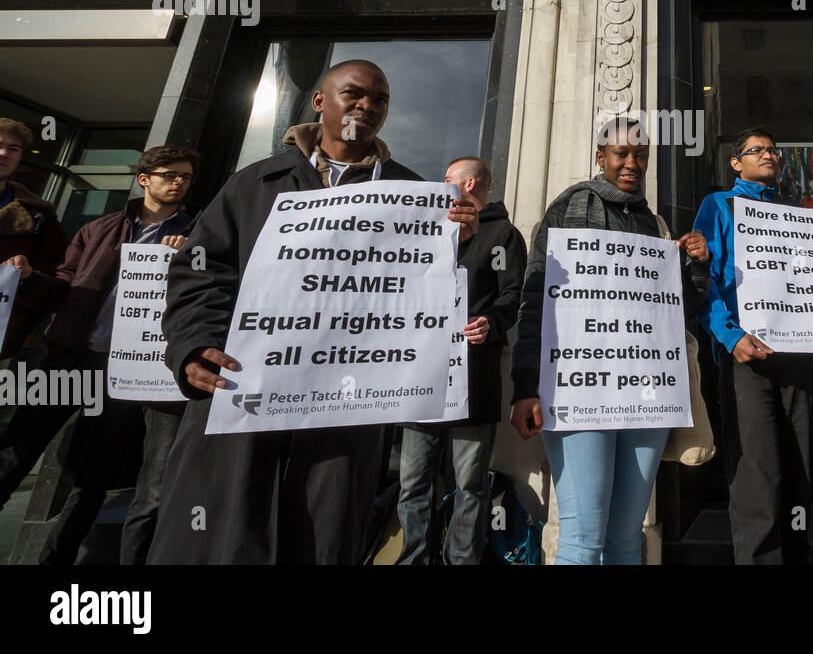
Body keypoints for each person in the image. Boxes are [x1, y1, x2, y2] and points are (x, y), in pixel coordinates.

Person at [146, 60, 478, 564]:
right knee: (221, 539)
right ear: (320, 102)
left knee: (321, 537)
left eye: (380, 99)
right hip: (243, 393)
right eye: (354, 93)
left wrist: (454, 244)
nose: (367, 105)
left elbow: (419, 301)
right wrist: (192, 346)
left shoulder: (413, 197)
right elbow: (200, 273)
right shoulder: (254, 182)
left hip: (345, 410)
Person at [509, 117, 710, 565]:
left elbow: (681, 312)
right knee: (583, 538)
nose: (632, 163)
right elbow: (536, 298)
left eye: (641, 155)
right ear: (601, 156)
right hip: (579, 389)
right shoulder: (568, 208)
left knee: (626, 538)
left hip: (647, 393)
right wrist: (525, 387)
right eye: (622, 154)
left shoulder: (654, 224)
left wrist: (695, 264)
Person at [0, 145, 199, 564]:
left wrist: (188, 258)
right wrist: (33, 279)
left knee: (91, 476)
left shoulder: (197, 232)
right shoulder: (102, 227)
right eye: (169, 174)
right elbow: (66, 280)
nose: (178, 182)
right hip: (71, 358)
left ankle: (55, 559)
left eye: (184, 176)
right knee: (14, 452)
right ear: (144, 179)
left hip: (128, 371)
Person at [693, 128, 813, 564]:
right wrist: (730, 337)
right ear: (736, 163)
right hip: (747, 355)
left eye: (772, 149)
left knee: (798, 471)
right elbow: (702, 282)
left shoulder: (797, 211)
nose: (768, 155)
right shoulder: (717, 206)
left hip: (798, 353)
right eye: (756, 150)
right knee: (756, 474)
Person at [397, 156, 525, 565]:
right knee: (413, 482)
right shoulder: (427, 230)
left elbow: (514, 294)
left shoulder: (504, 235)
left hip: (473, 383)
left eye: (448, 177)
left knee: (470, 483)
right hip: (420, 377)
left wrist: (491, 321)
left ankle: (461, 559)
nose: (442, 183)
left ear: (469, 184)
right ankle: (415, 557)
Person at [0, 118, 67, 360]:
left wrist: (29, 278)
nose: (4, 153)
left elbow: (59, 279)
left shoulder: (39, 216)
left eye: (13, 149)